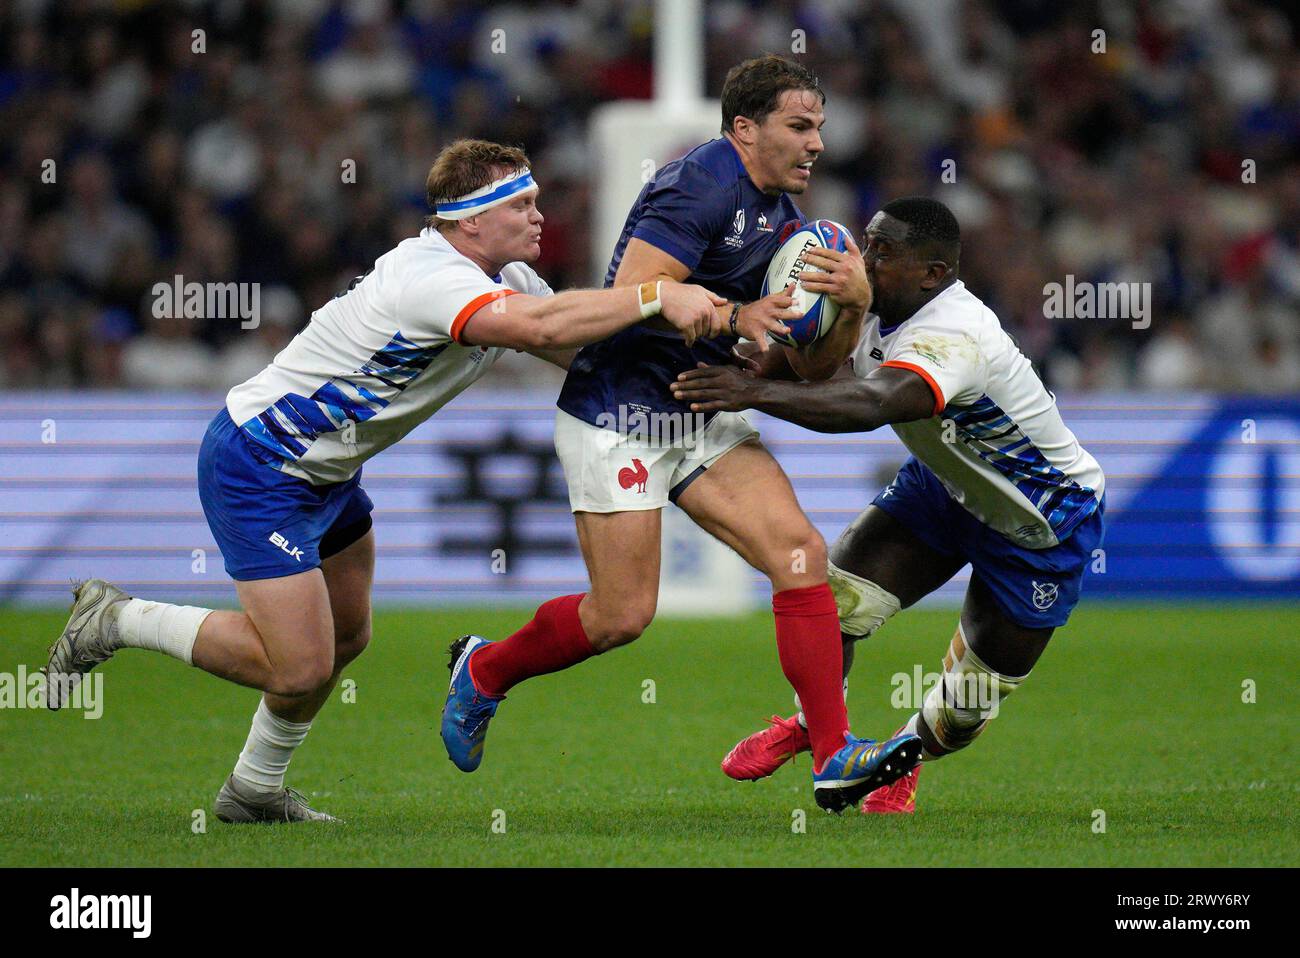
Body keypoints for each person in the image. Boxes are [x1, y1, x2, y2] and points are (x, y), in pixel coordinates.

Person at [43, 138, 727, 823]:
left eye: (538, 201)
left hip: (326, 471)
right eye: (521, 203)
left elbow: (582, 353)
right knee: (300, 666)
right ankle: (119, 618)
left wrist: (729, 340)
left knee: (347, 635)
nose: (539, 216)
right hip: (260, 461)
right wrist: (655, 293)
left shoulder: (505, 280)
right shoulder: (434, 279)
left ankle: (253, 790)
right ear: (469, 222)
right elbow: (540, 326)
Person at [440, 56, 922, 813]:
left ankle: (832, 756)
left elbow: (811, 375)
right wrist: (736, 318)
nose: (816, 143)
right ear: (744, 129)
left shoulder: (786, 225)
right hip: (621, 408)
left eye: (819, 127)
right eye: (798, 126)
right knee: (620, 617)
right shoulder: (696, 184)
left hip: (700, 406)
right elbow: (637, 296)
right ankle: (486, 672)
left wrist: (853, 309)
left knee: (800, 556)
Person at [670, 197, 1107, 814]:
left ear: (932, 273)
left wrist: (752, 391)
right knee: (830, 602)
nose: (864, 260)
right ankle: (823, 733)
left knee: (965, 711)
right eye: (867, 242)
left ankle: (902, 758)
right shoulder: (861, 301)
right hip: (942, 486)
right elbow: (809, 365)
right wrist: (756, 360)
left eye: (884, 252)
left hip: (1041, 520)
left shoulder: (955, 332)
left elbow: (870, 404)